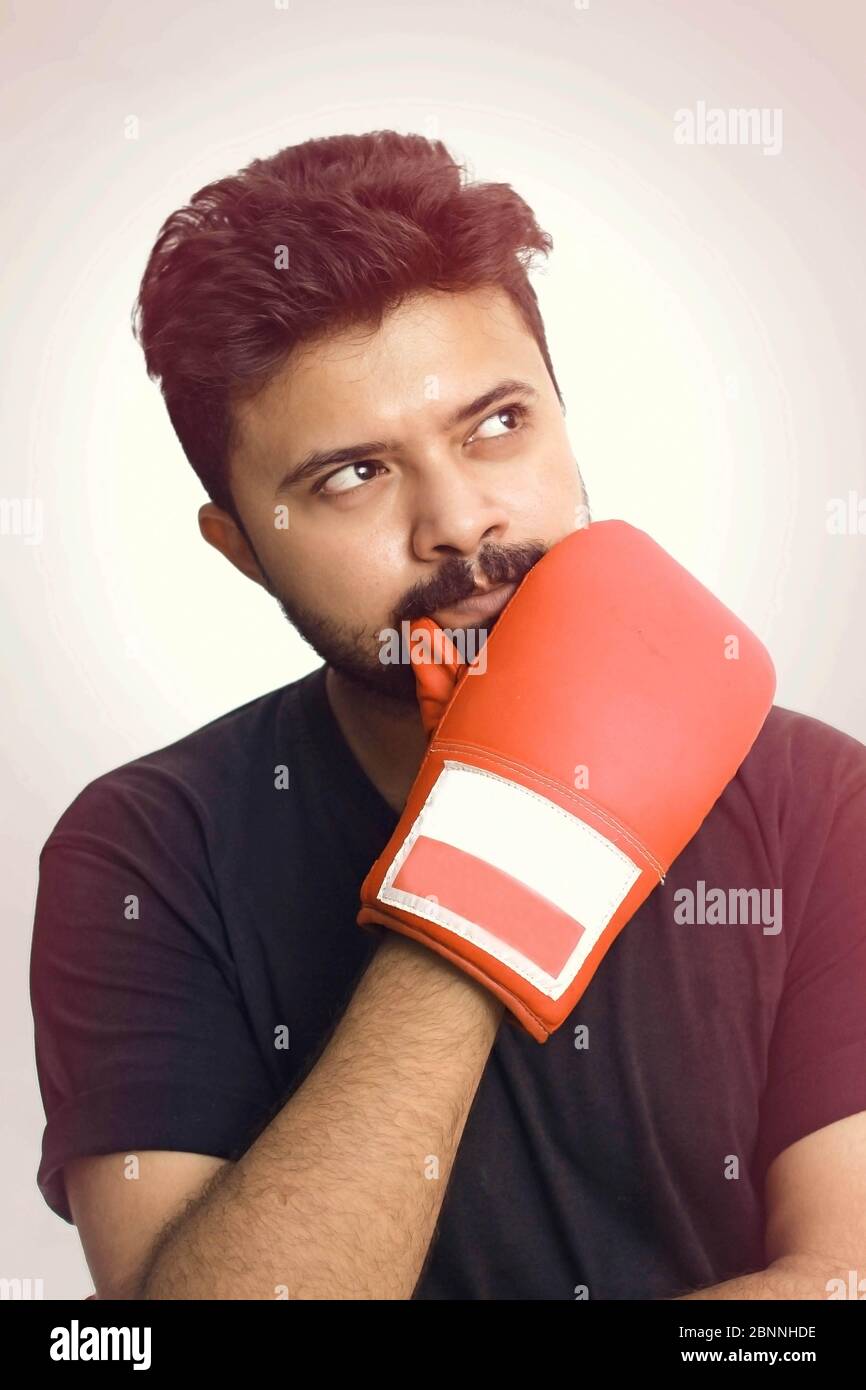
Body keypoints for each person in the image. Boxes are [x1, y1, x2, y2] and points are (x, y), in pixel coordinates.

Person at [31, 131, 866, 1300]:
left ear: (566, 420)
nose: (461, 522)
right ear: (239, 549)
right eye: (351, 475)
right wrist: (493, 863)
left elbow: (839, 1288)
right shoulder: (145, 850)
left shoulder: (819, 803)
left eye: (496, 425)